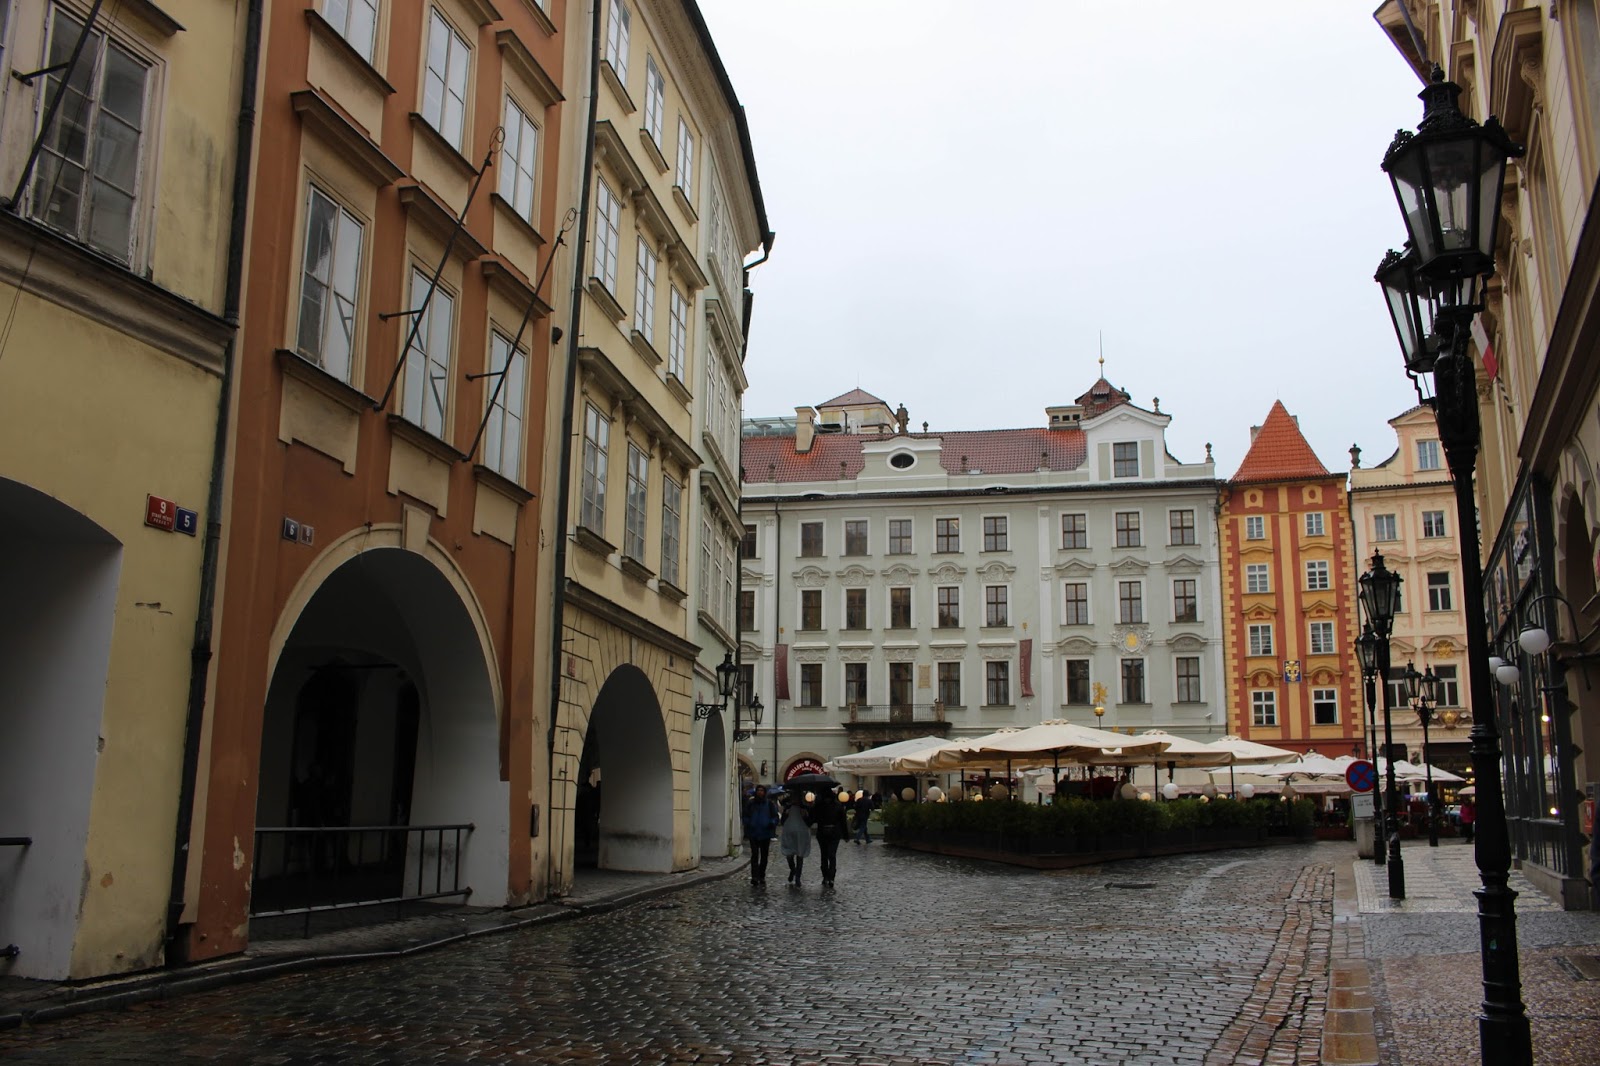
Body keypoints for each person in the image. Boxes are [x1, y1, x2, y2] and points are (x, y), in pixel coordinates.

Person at [742, 785, 779, 883]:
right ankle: (754, 876)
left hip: (765, 833)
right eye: (758, 790)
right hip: (753, 832)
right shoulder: (751, 804)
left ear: (764, 792)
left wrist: (771, 823)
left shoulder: (769, 804)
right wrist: (748, 823)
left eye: (762, 790)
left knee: (764, 856)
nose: (760, 792)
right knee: (754, 855)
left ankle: (761, 875)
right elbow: (745, 815)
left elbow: (775, 817)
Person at [813, 790, 851, 887]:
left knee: (830, 855)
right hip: (826, 833)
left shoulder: (823, 806)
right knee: (826, 855)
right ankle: (827, 876)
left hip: (831, 833)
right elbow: (843, 822)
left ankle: (830, 877)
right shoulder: (823, 806)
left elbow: (843, 822)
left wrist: (846, 835)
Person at [779, 794, 812, 885]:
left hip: (801, 833)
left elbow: (809, 822)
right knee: (789, 855)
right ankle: (793, 869)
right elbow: (782, 821)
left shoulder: (805, 808)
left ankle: (798, 877)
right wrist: (785, 814)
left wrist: (805, 815)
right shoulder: (788, 808)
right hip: (789, 832)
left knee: (800, 855)